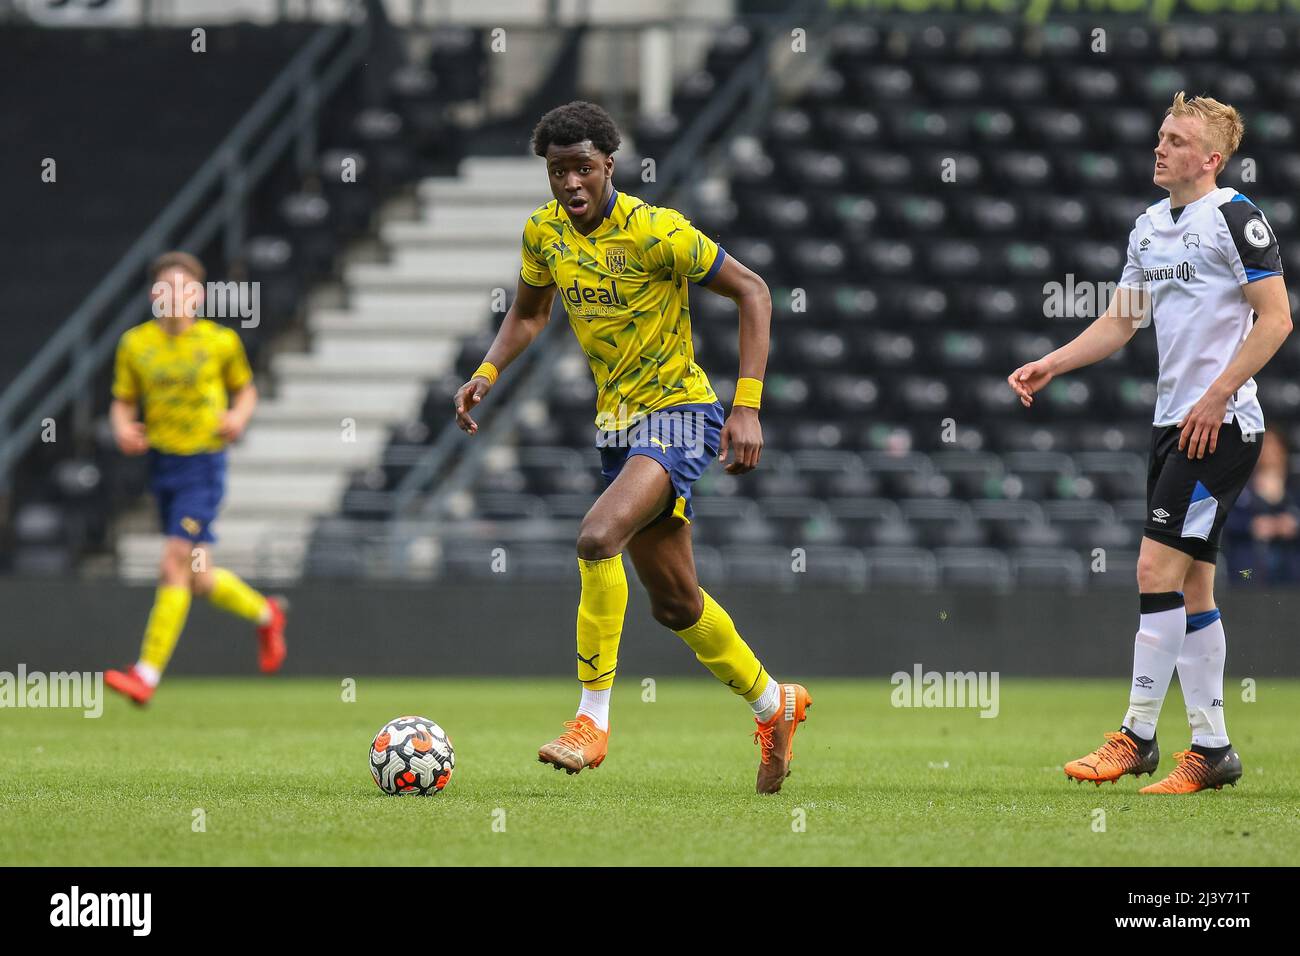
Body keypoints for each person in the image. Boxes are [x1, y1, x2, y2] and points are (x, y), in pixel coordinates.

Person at [453, 101, 810, 794]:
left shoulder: (657, 231)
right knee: (675, 603)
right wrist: (485, 373)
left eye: (583, 168)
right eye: (558, 171)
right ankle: (776, 705)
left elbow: (754, 292)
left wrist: (747, 406)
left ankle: (590, 722)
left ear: (608, 164)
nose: (571, 183)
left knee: (596, 537)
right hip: (618, 430)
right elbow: (529, 314)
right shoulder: (544, 235)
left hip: (680, 415)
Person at [1007, 93, 1292, 794]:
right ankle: (1214, 749)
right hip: (1174, 426)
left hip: (1220, 428)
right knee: (1194, 582)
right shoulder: (1148, 230)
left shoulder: (1235, 217)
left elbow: (1277, 319)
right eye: (1160, 135)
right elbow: (1121, 322)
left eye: (1175, 139)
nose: (1159, 147)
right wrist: (1055, 361)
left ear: (1210, 158)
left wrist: (1219, 392)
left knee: (1151, 573)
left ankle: (1136, 736)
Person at [104, 251, 287, 705]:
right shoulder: (135, 345)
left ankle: (145, 674)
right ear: (154, 295)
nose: (175, 297)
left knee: (173, 561)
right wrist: (122, 427)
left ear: (198, 295)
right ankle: (266, 614)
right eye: (165, 288)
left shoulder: (219, 341)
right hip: (162, 464)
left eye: (183, 288)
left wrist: (239, 417)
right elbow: (123, 401)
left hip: (203, 465)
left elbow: (245, 389)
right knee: (199, 577)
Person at [1224, 431, 1300, 584]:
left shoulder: (1294, 484)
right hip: (1250, 564)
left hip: (1290, 562)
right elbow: (1226, 520)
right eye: (1264, 446)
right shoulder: (1241, 483)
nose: (1269, 453)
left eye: (1274, 447)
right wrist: (1252, 525)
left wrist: (1292, 523)